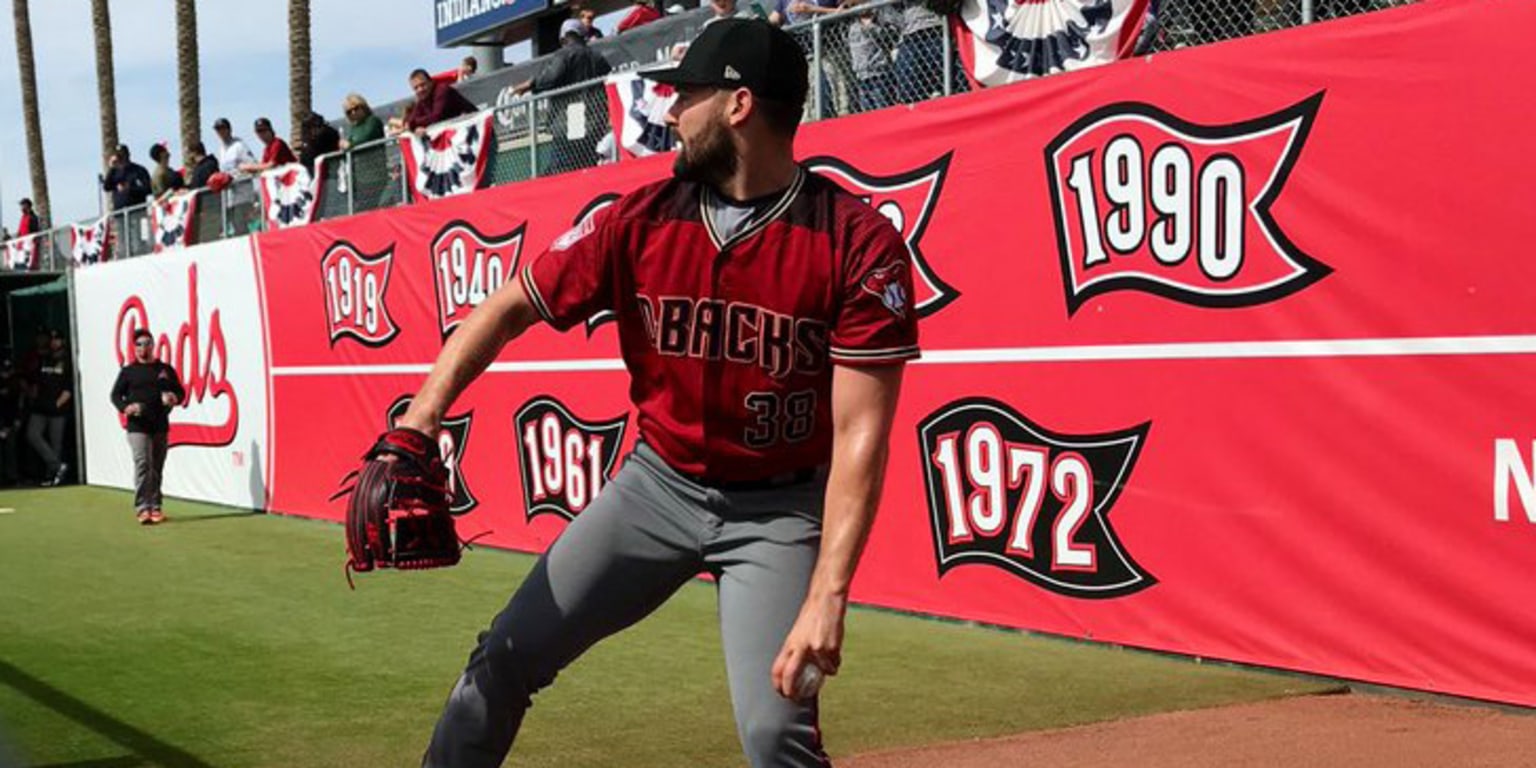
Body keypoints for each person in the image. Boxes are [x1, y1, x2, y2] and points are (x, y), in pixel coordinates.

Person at [409, 19, 917, 768]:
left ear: (739, 105)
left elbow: (861, 437)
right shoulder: (640, 219)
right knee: (507, 655)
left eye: (687, 96)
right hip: (658, 487)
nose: (672, 115)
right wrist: (419, 424)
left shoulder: (856, 241)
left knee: (777, 736)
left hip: (776, 514)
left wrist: (828, 594)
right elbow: (510, 304)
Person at [513, 27, 613, 174]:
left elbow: (550, 78)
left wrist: (530, 84)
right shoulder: (597, 56)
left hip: (572, 116)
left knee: (561, 168)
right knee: (588, 165)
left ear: (564, 38)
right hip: (595, 118)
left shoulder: (564, 54)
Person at [110, 329, 184, 525]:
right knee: (143, 463)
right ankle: (143, 508)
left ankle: (156, 506)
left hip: (160, 423)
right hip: (137, 425)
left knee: (157, 467)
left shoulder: (165, 369)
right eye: (139, 344)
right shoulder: (128, 372)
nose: (143, 347)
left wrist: (174, 398)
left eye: (147, 343)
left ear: (153, 346)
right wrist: (127, 407)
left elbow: (180, 392)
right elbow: (115, 396)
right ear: (134, 348)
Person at [28, 330, 72, 487]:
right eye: (52, 340)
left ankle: (53, 476)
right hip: (40, 406)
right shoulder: (44, 358)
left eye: (57, 339)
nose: (54, 342)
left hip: (57, 409)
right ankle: (57, 466)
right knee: (32, 435)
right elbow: (34, 380)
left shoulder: (67, 360)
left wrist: (58, 403)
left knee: (56, 444)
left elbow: (69, 388)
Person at [402, 68, 478, 134]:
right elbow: (408, 122)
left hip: (475, 128)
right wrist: (416, 128)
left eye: (423, 84)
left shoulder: (441, 90)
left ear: (431, 82)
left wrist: (415, 123)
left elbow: (437, 117)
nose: (420, 89)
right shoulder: (422, 99)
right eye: (416, 88)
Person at [101, 145, 152, 211]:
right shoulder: (114, 172)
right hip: (120, 212)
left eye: (122, 155)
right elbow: (106, 187)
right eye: (119, 155)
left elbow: (149, 189)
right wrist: (111, 168)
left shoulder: (139, 170)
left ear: (128, 155)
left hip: (137, 210)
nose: (121, 158)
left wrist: (130, 189)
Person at [0, 359, 20, 487]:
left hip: (9, 422)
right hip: (3, 421)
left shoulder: (15, 384)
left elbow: (15, 406)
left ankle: (11, 477)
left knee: (10, 451)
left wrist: (10, 425)